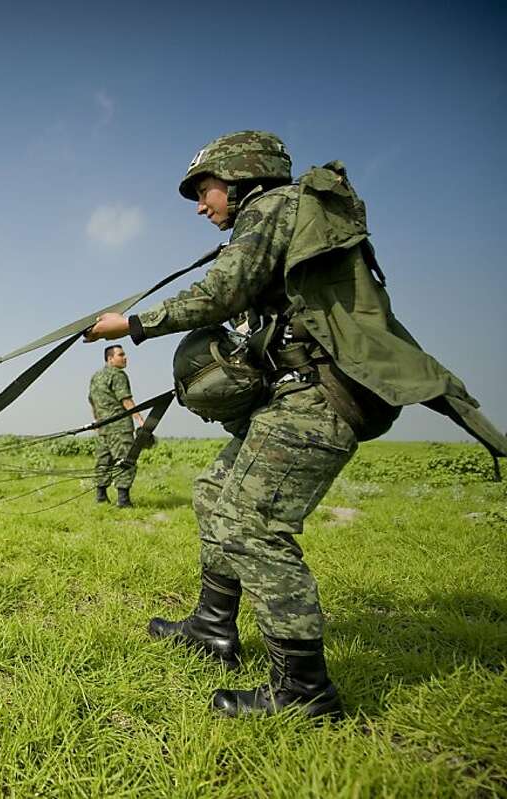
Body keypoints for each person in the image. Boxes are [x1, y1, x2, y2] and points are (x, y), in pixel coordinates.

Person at [83, 130, 505, 719]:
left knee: (252, 524)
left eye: (203, 191)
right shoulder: (283, 214)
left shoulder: (274, 208)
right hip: (299, 394)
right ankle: (212, 628)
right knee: (212, 494)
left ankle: (304, 692)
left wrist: (131, 324)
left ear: (239, 179)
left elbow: (219, 294)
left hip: (323, 395)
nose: (201, 206)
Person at [88, 345, 146, 507]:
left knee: (103, 462)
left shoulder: (96, 376)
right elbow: (126, 400)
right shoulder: (118, 375)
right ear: (110, 358)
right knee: (125, 461)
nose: (125, 357)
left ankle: (101, 497)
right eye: (121, 355)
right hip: (120, 428)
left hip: (103, 428)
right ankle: (123, 500)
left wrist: (97, 423)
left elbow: (93, 402)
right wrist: (140, 420)